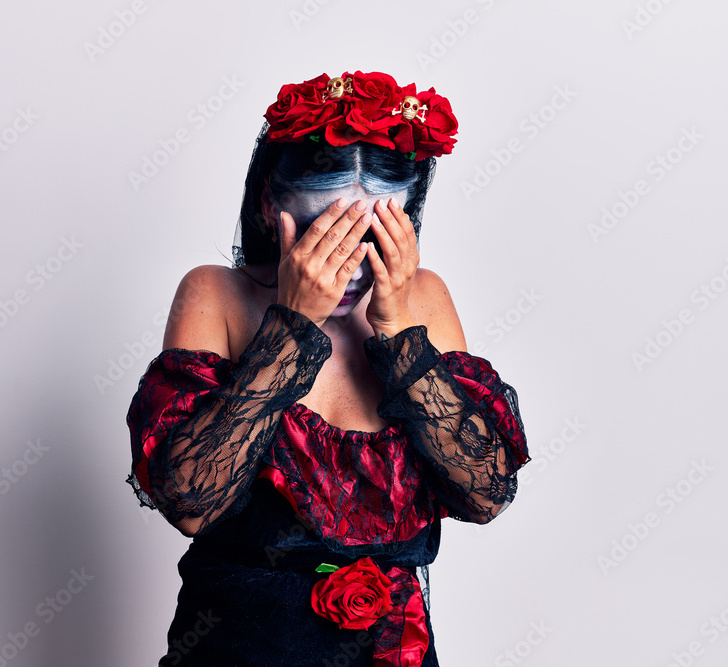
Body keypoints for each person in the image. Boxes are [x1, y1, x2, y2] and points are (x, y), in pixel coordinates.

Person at [126, 71, 530, 667]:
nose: (350, 265)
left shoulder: (423, 298)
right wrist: (292, 326)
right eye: (325, 232)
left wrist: (398, 332)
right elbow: (190, 502)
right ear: (271, 206)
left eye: (374, 234)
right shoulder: (216, 293)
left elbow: (485, 493)